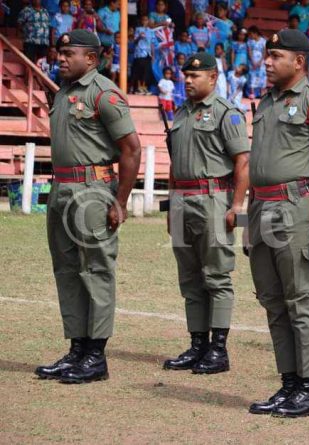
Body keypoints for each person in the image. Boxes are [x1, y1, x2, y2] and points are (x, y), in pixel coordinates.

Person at [34, 30, 141, 384]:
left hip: (94, 190)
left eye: (70, 53)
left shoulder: (104, 93)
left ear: (92, 59)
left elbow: (131, 148)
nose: (61, 58)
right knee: (66, 269)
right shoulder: (63, 93)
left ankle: (96, 355)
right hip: (62, 187)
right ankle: (77, 348)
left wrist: (120, 201)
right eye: (60, 52)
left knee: (96, 270)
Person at [247, 29, 309, 418]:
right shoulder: (267, 102)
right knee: (273, 301)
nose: (267, 61)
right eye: (267, 55)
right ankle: (289, 383)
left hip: (296, 208)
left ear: (299, 61)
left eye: (275, 56)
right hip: (262, 209)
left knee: (301, 301)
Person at [162, 52, 249, 375]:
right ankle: (197, 344)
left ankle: (218, 348)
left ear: (212, 78)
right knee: (190, 277)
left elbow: (242, 161)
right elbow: (174, 164)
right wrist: (170, 206)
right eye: (185, 75)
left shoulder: (227, 113)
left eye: (195, 75)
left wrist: (237, 206)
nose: (188, 79)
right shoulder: (180, 113)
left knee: (216, 275)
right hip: (183, 198)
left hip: (214, 197)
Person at [132, 15, 154, 95]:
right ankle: (138, 88)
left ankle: (144, 87)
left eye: (146, 19)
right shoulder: (138, 29)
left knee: (147, 71)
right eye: (143, 20)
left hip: (148, 54)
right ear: (141, 21)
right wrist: (139, 37)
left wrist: (153, 54)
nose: (145, 21)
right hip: (139, 53)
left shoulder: (151, 31)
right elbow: (134, 41)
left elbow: (152, 43)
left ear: (148, 21)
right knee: (139, 71)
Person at [247, 26, 267, 99]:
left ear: (255, 33)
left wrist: (260, 61)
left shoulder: (263, 41)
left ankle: (262, 92)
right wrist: (253, 61)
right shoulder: (249, 41)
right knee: (252, 76)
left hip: (260, 60)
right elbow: (250, 51)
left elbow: (264, 52)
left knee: (261, 75)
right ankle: (252, 93)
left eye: (251, 34)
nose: (250, 35)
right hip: (252, 60)